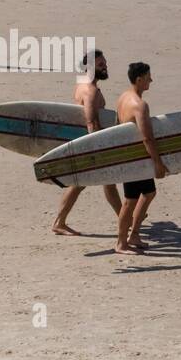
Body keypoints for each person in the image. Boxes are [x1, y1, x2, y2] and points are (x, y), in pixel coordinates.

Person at [52, 51, 123, 234]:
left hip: (85, 140)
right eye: (101, 65)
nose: (105, 67)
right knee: (101, 181)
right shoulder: (90, 90)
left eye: (105, 63)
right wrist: (97, 147)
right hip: (90, 142)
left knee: (94, 182)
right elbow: (91, 120)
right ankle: (126, 220)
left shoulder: (83, 84)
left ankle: (125, 219)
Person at [115, 63, 167, 255]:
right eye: (148, 77)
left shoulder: (123, 98)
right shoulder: (139, 105)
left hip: (131, 156)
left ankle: (134, 234)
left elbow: (116, 126)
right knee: (130, 200)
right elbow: (147, 137)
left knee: (150, 192)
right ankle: (121, 243)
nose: (151, 80)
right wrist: (157, 163)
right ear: (139, 79)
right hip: (134, 159)